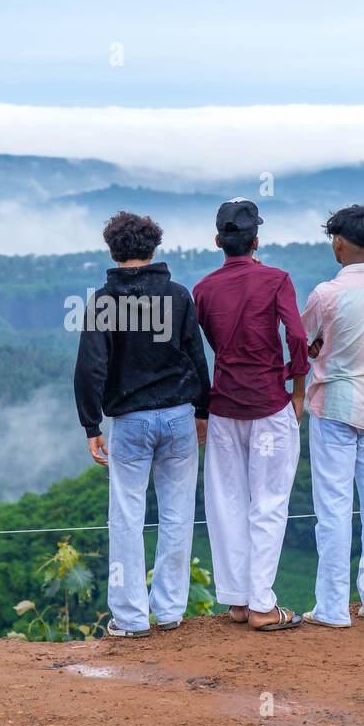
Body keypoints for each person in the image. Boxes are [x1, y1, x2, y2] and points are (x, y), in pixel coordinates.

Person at [73, 211, 211, 638]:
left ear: (113, 252)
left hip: (129, 421)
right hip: (177, 416)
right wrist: (203, 410)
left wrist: (91, 424)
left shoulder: (103, 301)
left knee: (127, 517)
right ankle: (169, 611)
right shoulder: (178, 296)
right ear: (154, 249)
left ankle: (130, 619)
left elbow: (91, 367)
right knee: (177, 513)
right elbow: (195, 357)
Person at [193, 199, 309, 631]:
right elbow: (296, 336)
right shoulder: (276, 279)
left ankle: (239, 602)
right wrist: (297, 391)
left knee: (225, 504)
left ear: (218, 241)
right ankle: (263, 605)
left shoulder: (203, 290)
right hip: (269, 406)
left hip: (224, 407)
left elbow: (203, 347)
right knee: (269, 503)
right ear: (256, 240)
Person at [300, 205, 364, 628]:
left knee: (334, 507)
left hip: (335, 404)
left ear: (339, 241)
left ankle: (331, 606)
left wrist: (316, 349)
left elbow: (303, 341)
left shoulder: (326, 293)